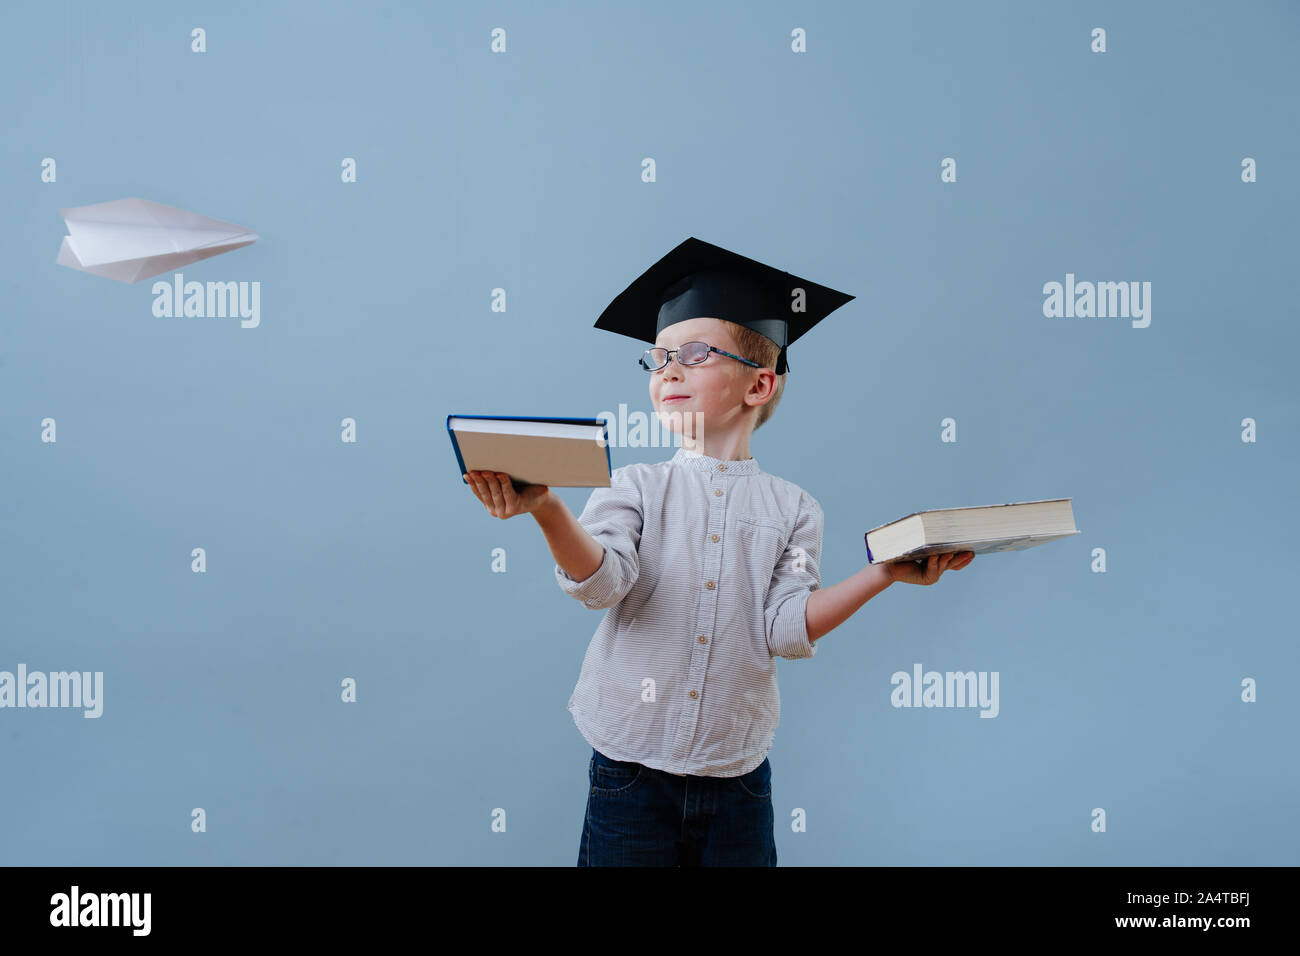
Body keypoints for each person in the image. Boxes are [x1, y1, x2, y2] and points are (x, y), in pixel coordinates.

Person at [463, 237, 974, 866]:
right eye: (659, 358)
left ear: (759, 384)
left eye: (696, 354)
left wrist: (884, 574)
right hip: (630, 771)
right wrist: (545, 507)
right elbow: (602, 584)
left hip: (737, 778)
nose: (669, 371)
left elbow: (786, 629)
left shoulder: (795, 509)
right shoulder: (634, 486)